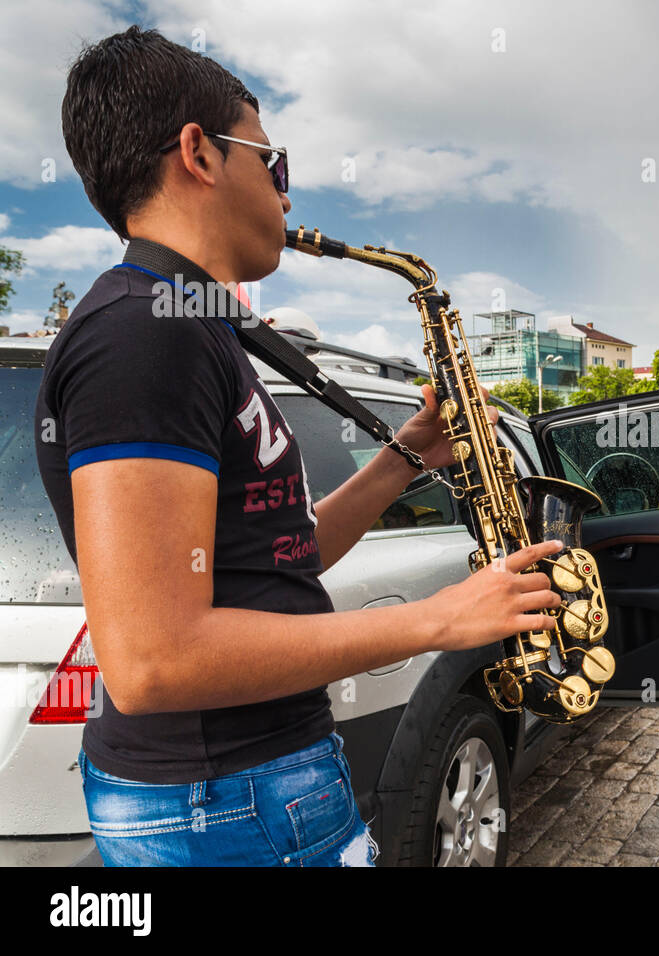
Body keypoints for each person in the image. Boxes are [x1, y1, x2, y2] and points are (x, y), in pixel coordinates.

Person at [38, 27, 565, 867]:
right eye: (273, 163)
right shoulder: (144, 333)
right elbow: (152, 660)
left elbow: (281, 559)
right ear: (198, 154)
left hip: (242, 795)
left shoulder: (191, 328)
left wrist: (403, 462)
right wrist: (438, 619)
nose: (287, 198)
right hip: (224, 801)